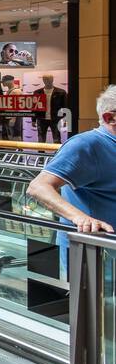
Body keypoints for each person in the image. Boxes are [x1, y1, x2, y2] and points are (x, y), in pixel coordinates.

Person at [26, 85, 116, 267]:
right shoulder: (86, 144)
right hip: (95, 253)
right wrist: (80, 218)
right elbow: (38, 187)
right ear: (110, 117)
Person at [33, 74, 68, 144]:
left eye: (49, 79)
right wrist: (33, 120)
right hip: (41, 119)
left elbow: (65, 106)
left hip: (55, 119)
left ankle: (57, 154)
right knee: (41, 139)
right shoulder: (37, 92)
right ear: (43, 80)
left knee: (57, 139)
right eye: (45, 79)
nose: (47, 81)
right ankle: (41, 154)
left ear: (52, 80)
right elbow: (34, 107)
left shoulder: (61, 92)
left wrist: (65, 120)